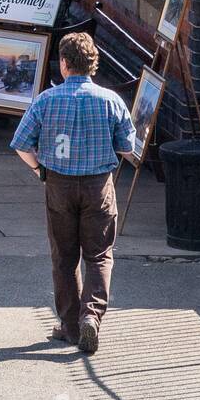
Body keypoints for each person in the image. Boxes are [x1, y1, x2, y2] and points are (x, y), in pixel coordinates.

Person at [10, 32, 136, 354]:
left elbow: (21, 144)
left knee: (63, 258)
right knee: (99, 255)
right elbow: (127, 147)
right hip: (98, 187)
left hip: (59, 186)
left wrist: (40, 170)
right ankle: (91, 317)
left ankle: (69, 327)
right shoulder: (111, 101)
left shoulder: (45, 100)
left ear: (64, 64)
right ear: (92, 64)